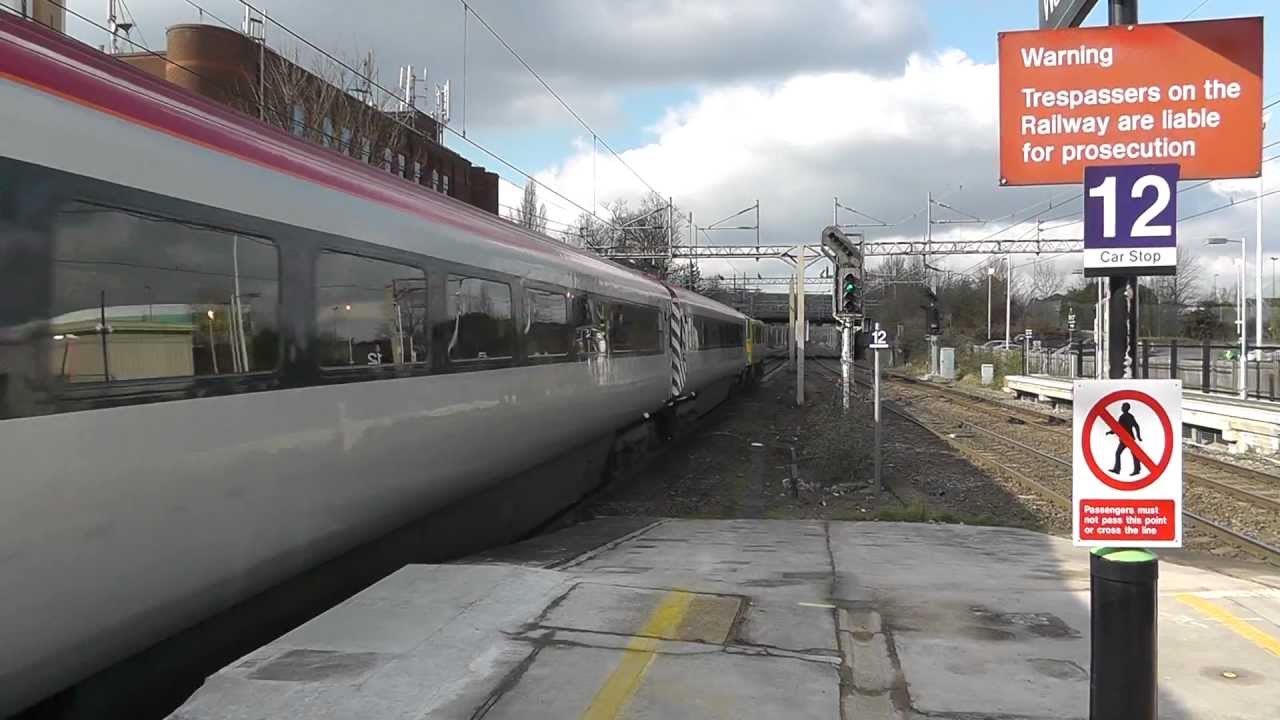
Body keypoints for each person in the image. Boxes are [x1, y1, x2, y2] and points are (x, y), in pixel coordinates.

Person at [1106, 402, 1143, 476]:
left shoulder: (1125, 416)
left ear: (1126, 408)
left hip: (1128, 439)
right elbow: (1118, 427)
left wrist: (1139, 436)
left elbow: (1135, 426)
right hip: (1124, 439)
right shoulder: (1124, 416)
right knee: (1120, 453)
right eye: (1122, 406)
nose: (1122, 408)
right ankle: (1118, 469)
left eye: (1123, 406)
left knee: (1132, 454)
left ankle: (1135, 470)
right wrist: (1111, 432)